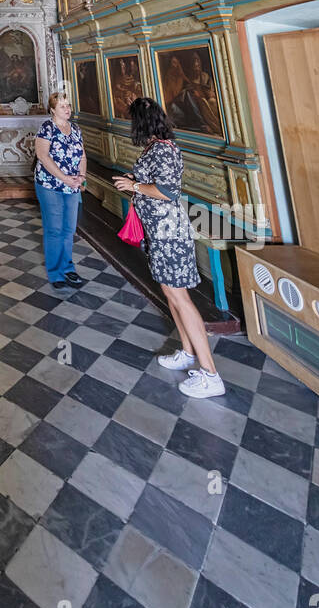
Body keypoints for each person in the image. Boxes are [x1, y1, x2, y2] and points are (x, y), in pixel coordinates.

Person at [114, 98, 225, 399]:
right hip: (158, 233)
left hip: (169, 234)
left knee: (181, 298)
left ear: (141, 124)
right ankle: (187, 353)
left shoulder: (162, 149)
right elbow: (155, 181)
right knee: (170, 294)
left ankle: (210, 374)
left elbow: (167, 191)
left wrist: (134, 187)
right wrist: (134, 180)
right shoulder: (157, 148)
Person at [34, 91, 87, 290]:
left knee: (69, 229)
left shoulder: (75, 129)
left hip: (72, 186)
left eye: (68, 105)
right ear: (52, 109)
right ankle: (56, 272)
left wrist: (81, 177)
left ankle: (68, 268)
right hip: (50, 185)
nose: (67, 109)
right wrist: (65, 178)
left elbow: (82, 156)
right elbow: (43, 156)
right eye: (63, 106)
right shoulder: (47, 128)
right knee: (54, 229)